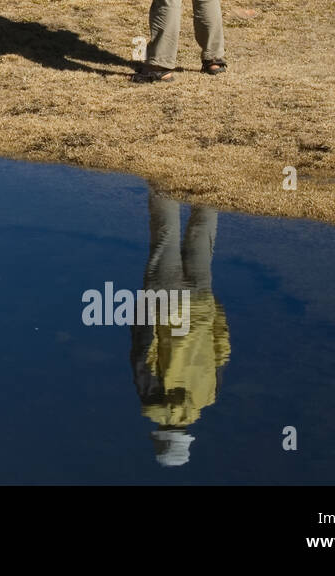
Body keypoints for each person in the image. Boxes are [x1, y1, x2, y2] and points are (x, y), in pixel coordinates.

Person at [130, 191, 230, 467]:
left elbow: (222, 349)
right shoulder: (153, 398)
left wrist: (213, 306)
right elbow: (143, 351)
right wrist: (143, 307)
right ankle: (162, 173)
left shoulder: (209, 395)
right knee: (166, 235)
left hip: (200, 304)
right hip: (166, 303)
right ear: (160, 437)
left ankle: (211, 176)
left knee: (203, 229)